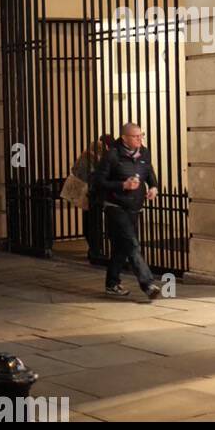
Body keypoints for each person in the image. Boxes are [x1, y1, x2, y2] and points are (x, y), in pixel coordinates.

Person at [93, 123, 162, 300]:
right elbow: (99, 182)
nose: (140, 139)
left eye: (141, 135)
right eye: (135, 136)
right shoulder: (112, 155)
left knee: (121, 247)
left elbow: (148, 172)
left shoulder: (144, 152)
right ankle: (148, 284)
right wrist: (122, 185)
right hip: (115, 206)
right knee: (132, 243)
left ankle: (112, 284)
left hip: (134, 206)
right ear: (124, 138)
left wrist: (153, 187)